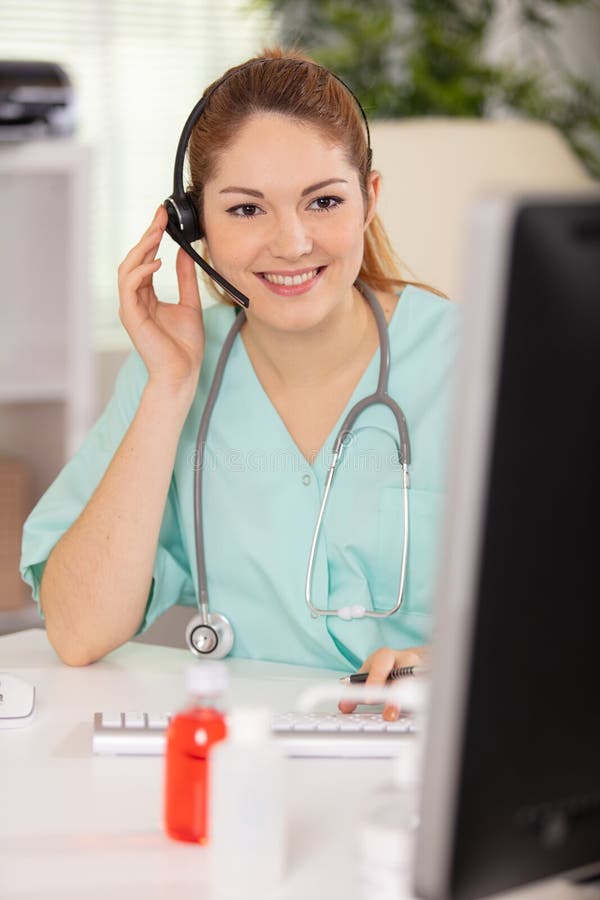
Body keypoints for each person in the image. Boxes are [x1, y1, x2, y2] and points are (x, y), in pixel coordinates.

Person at [20, 48, 458, 719]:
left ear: (369, 200)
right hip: (245, 761)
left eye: (323, 201)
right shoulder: (174, 371)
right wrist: (168, 391)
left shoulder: (470, 359)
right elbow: (77, 631)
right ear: (195, 226)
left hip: (423, 763)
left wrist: (439, 666)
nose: (291, 243)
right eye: (247, 210)